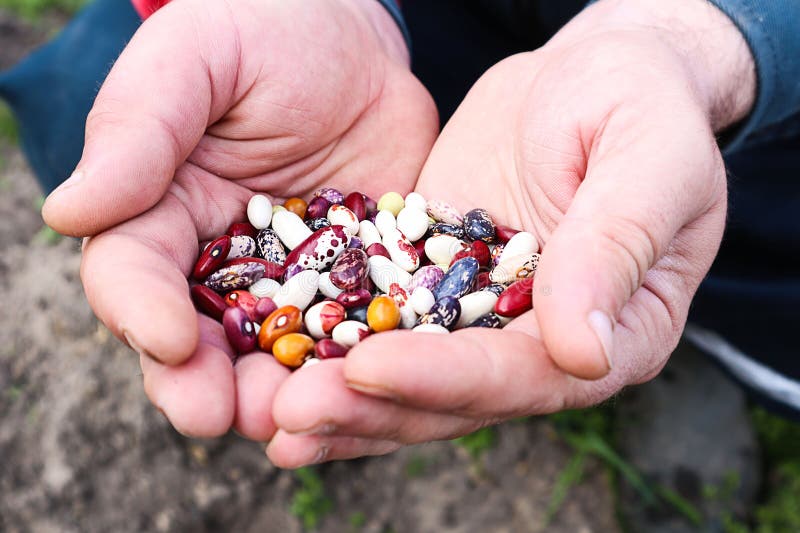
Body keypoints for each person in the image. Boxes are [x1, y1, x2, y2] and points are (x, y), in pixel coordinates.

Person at [9, 0, 797, 468]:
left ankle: (707, 350)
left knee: (679, 224)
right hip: (370, 37)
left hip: (702, 57)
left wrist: (705, 36)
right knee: (91, 97)